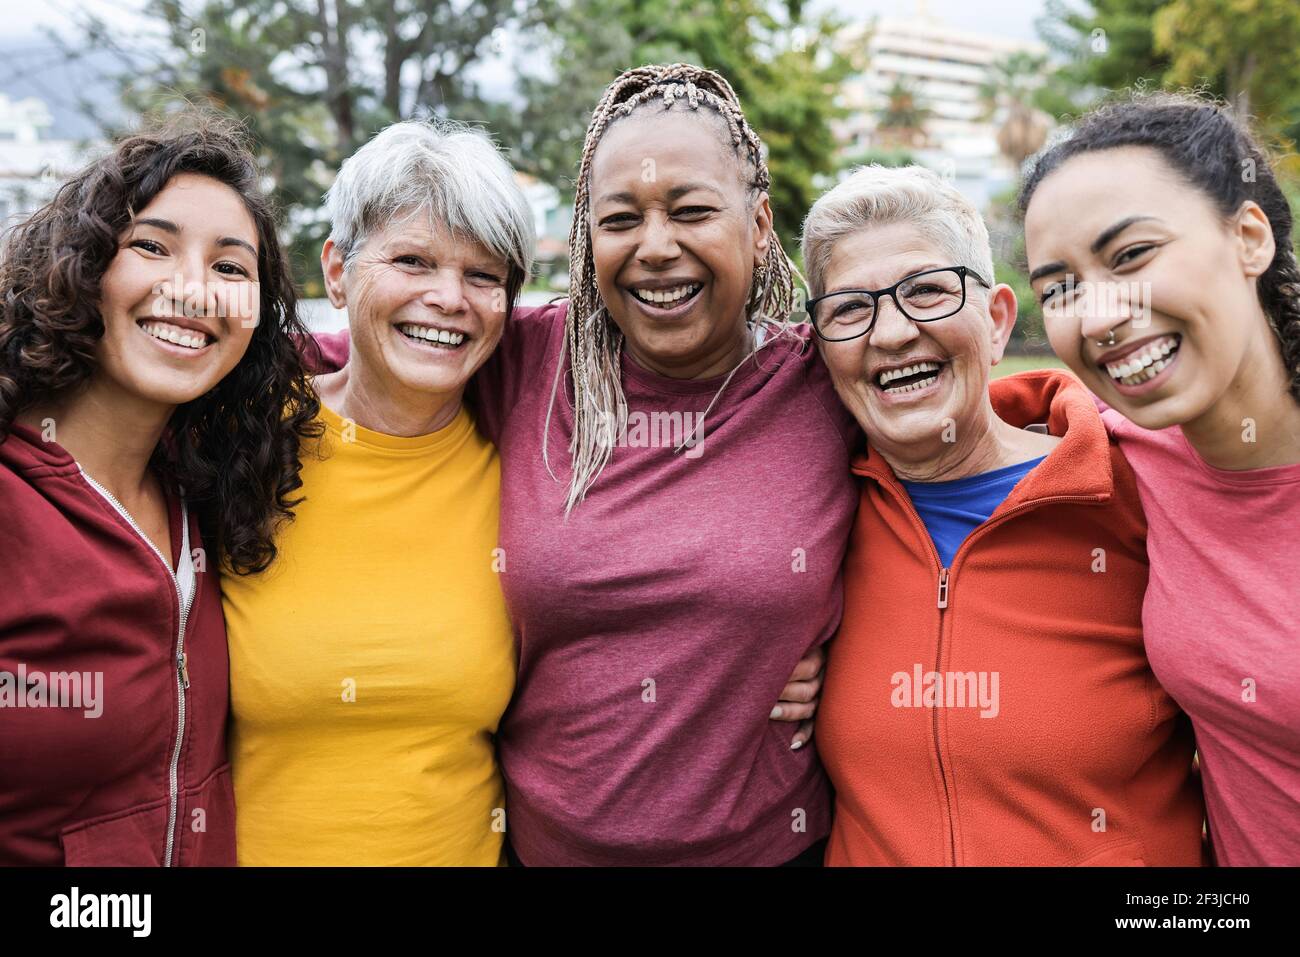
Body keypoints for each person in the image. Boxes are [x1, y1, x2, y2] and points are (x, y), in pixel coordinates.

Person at [312, 64, 853, 866]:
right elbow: (344, 355)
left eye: (694, 210)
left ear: (761, 222)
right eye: (621, 218)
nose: (656, 247)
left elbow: (959, 455)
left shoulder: (826, 380)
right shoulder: (525, 360)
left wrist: (851, 654)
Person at [805, 164, 1205, 865]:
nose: (893, 333)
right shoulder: (810, 518)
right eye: (849, 309)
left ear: (995, 320)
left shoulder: (1144, 488)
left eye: (927, 291)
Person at [0, 112, 319, 865]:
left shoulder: (203, 487)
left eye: (231, 268)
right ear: (78, 265)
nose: (193, 291)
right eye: (152, 245)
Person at [220, 119, 534, 865]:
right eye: (413, 260)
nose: (448, 297)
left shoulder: (528, 474)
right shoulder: (235, 442)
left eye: (483, 275)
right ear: (337, 271)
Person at [1021, 92, 1300, 866]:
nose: (1100, 315)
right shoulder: (1122, 455)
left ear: (1249, 238)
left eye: (1132, 256)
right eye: (1060, 288)